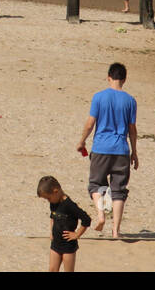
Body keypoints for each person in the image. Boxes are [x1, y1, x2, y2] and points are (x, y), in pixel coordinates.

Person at [77, 63, 139, 239]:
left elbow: (90, 124)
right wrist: (134, 152)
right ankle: (116, 231)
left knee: (95, 184)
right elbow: (132, 130)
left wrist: (82, 141)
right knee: (119, 190)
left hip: (101, 147)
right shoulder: (130, 101)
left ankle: (101, 215)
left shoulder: (99, 97)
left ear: (108, 77)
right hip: (121, 149)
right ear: (124, 79)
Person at [37, 175, 90, 272]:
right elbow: (52, 217)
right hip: (56, 243)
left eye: (48, 198)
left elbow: (86, 219)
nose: (48, 201)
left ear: (56, 191)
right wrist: (51, 231)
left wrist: (77, 234)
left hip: (68, 245)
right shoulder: (53, 202)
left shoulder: (69, 205)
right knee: (52, 269)